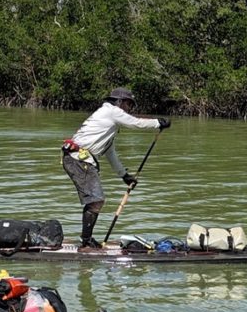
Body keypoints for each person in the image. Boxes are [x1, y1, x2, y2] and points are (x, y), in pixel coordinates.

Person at [61, 87, 170, 251]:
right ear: (119, 102)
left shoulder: (109, 124)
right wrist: (157, 122)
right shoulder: (111, 111)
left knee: (96, 200)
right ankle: (86, 242)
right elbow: (136, 123)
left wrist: (124, 175)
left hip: (78, 158)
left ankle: (87, 240)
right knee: (96, 200)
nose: (129, 109)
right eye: (128, 104)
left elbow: (110, 152)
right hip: (78, 158)